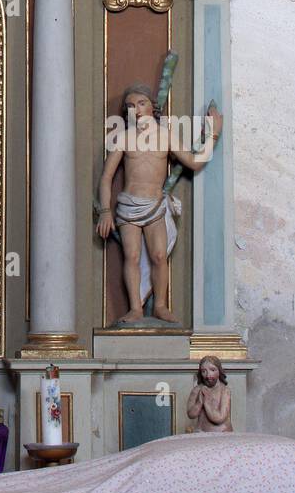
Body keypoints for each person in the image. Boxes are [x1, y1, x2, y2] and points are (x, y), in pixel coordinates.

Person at [96, 85, 222, 324]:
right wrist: (104, 211)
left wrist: (213, 135)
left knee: (158, 255)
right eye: (130, 106)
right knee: (131, 256)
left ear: (152, 107)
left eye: (141, 103)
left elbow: (194, 162)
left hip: (154, 205)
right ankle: (135, 308)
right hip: (128, 207)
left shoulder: (165, 135)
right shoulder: (123, 138)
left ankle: (161, 306)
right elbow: (106, 177)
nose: (137, 109)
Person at [187, 355, 233, 433]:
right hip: (201, 432)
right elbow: (191, 414)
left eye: (212, 370)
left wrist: (206, 402)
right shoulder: (197, 390)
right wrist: (200, 402)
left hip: (221, 433)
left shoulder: (224, 391)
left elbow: (219, 418)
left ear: (219, 371)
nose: (208, 375)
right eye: (204, 371)